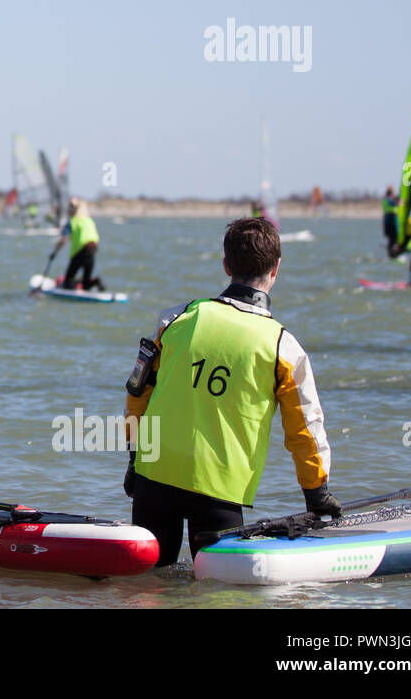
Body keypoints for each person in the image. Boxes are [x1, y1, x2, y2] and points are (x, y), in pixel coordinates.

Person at [122, 217, 339, 566]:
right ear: (276, 269)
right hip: (219, 490)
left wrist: (134, 458)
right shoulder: (284, 348)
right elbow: (305, 429)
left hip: (154, 478)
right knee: (217, 595)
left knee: (149, 585)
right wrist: (317, 493)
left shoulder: (176, 320)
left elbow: (137, 395)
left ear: (225, 265)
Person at [53, 198, 106, 291]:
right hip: (93, 248)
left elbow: (63, 240)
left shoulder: (72, 222)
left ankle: (68, 283)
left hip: (81, 251)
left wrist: (54, 252)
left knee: (67, 283)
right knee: (86, 285)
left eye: (70, 208)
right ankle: (96, 281)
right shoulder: (89, 220)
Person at [382, 187, 400, 256]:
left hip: (386, 222)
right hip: (392, 221)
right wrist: (400, 201)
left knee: (390, 239)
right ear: (391, 193)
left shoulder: (384, 200)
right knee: (394, 239)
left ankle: (390, 254)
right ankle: (393, 254)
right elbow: (396, 203)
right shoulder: (389, 200)